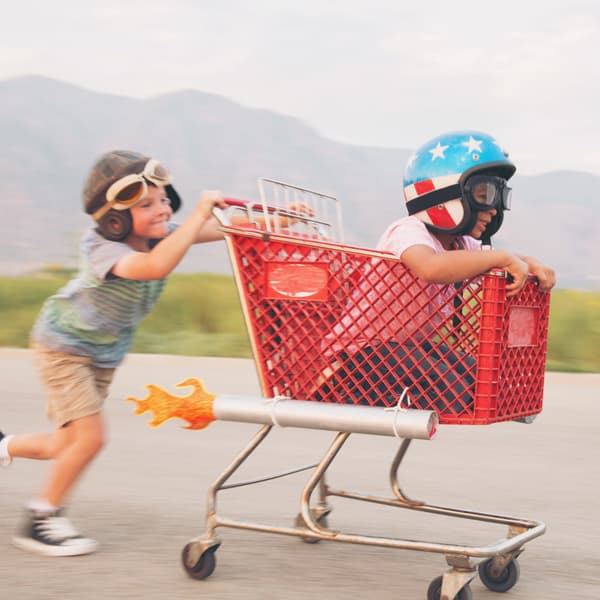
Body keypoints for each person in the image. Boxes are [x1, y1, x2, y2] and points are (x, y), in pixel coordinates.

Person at [0, 150, 297, 557]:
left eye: (162, 199)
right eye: (146, 205)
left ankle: (3, 445)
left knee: (62, 444)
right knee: (89, 440)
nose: (160, 210)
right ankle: (41, 518)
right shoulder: (102, 248)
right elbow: (154, 266)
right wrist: (193, 219)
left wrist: (278, 219)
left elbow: (221, 227)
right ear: (114, 219)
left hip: (101, 353)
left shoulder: (160, 233)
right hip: (63, 348)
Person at [313, 130, 555, 414]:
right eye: (484, 194)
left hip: (403, 352)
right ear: (444, 193)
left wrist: (530, 262)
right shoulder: (407, 231)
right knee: (455, 391)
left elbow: (492, 259)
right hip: (356, 358)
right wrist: (503, 257)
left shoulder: (460, 243)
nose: (493, 210)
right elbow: (430, 267)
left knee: (487, 379)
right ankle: (331, 385)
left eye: (499, 196)